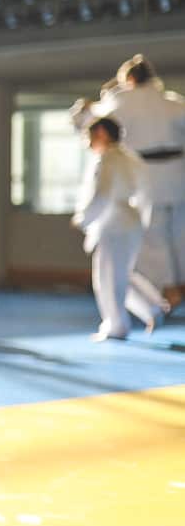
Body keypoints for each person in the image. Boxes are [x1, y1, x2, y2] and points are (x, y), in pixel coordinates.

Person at [72, 55, 185, 306]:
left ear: (130, 79)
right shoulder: (173, 103)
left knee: (155, 239)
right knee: (180, 236)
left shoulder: (120, 103)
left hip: (150, 180)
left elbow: (91, 124)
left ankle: (169, 290)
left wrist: (87, 109)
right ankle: (174, 288)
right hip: (179, 177)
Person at [73, 117, 170, 340]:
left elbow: (103, 195)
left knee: (108, 278)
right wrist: (141, 221)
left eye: (90, 134)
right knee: (121, 274)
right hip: (130, 220)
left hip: (114, 222)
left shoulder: (108, 160)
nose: (87, 140)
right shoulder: (130, 158)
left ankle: (117, 325)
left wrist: (84, 219)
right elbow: (146, 195)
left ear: (101, 133)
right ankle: (152, 308)